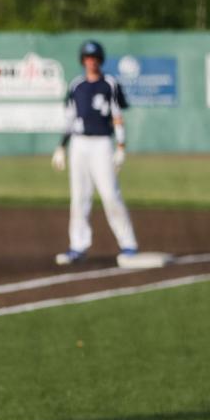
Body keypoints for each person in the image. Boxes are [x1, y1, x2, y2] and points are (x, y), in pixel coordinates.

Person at [51, 40, 139, 265]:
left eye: (95, 58)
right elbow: (70, 118)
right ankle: (78, 246)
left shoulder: (110, 84)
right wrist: (61, 146)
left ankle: (128, 243)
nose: (91, 61)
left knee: (110, 194)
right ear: (83, 60)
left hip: (102, 143)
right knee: (79, 197)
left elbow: (117, 116)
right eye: (88, 58)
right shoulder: (76, 85)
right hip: (79, 144)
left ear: (100, 60)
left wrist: (121, 147)